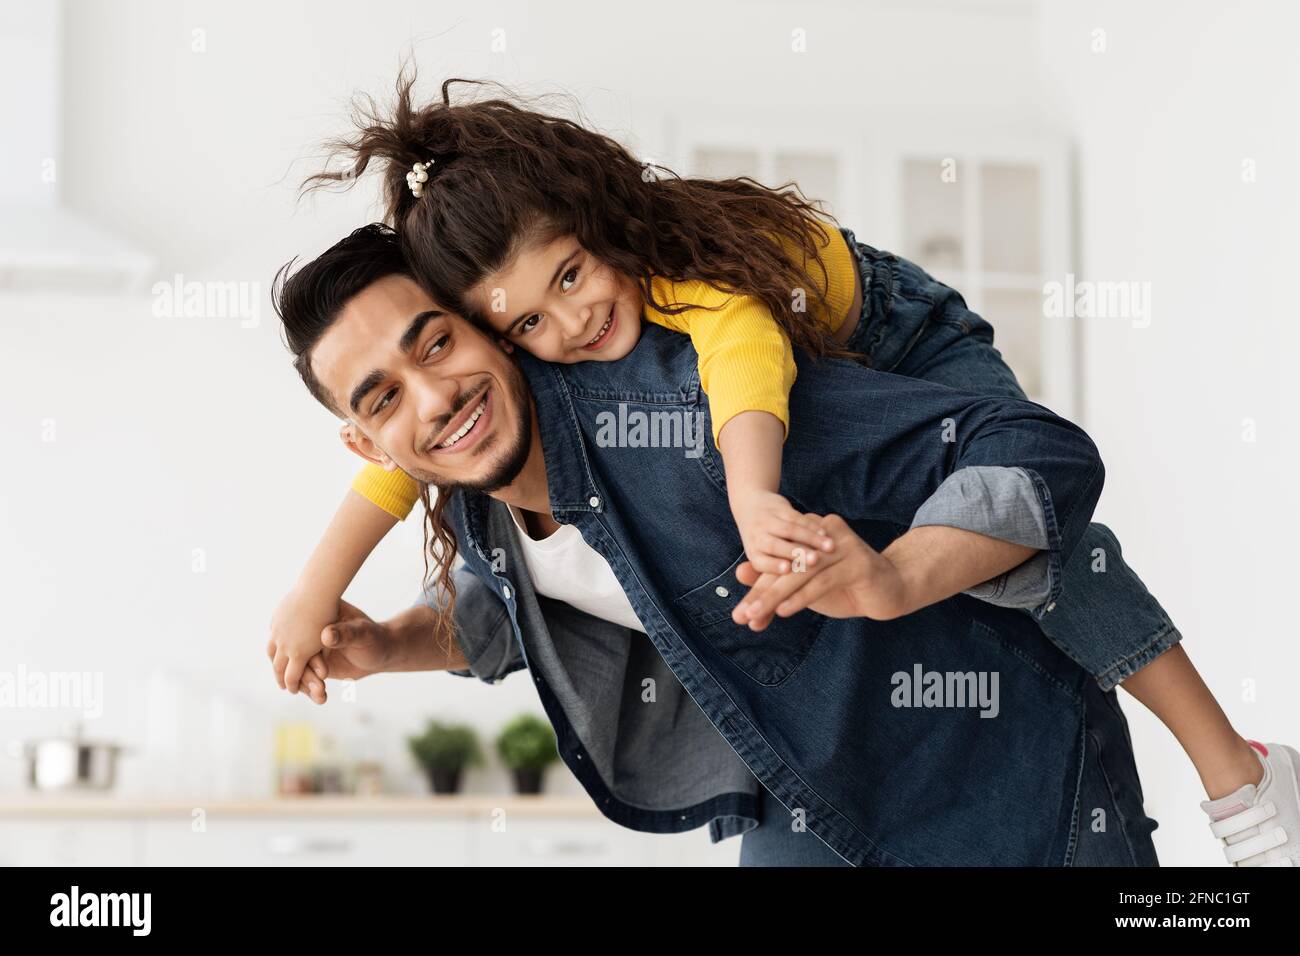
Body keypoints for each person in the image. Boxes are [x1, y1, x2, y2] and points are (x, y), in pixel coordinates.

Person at [268, 76, 1298, 866]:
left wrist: (883, 562)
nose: (432, 397)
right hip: (808, 787)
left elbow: (1037, 456)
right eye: (381, 398)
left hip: (988, 774)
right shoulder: (482, 483)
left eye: (434, 345)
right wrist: (382, 638)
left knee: (1041, 546)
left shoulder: (688, 385)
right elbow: (526, 604)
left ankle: (1239, 774)